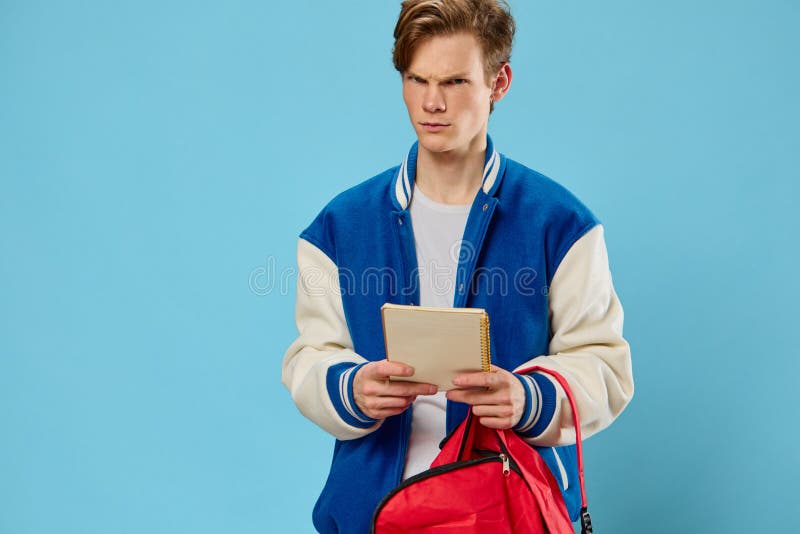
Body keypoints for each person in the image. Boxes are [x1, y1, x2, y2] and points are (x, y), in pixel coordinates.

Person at [282, 1, 634, 531]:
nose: (431, 103)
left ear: (499, 82)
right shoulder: (338, 226)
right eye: (416, 78)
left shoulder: (562, 222)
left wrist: (527, 396)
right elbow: (311, 356)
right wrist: (351, 388)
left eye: (454, 82)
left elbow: (605, 365)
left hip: (507, 508)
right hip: (374, 510)